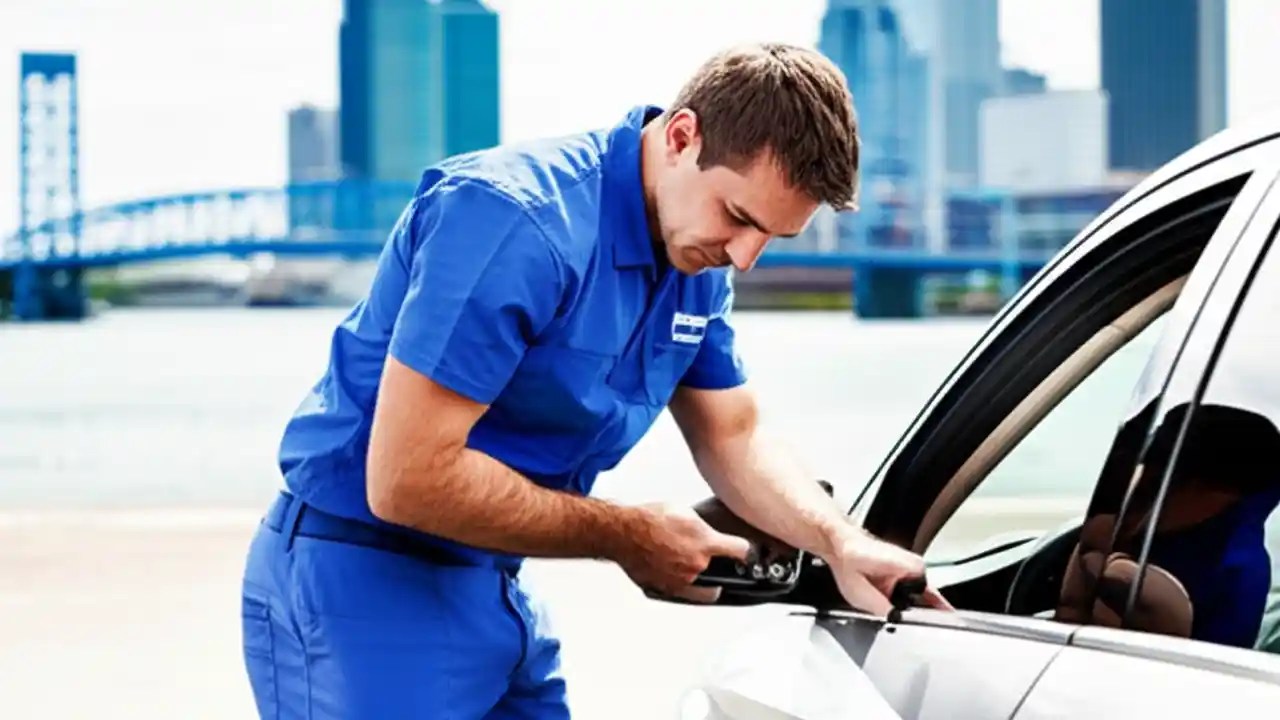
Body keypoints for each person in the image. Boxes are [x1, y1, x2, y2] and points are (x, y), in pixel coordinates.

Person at [240, 42, 949, 719]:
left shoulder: (696, 262)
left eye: (772, 236)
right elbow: (407, 478)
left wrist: (839, 541)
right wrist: (627, 534)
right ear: (681, 137)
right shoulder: (513, 221)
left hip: (497, 586)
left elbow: (736, 438)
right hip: (359, 584)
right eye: (737, 217)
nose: (746, 257)